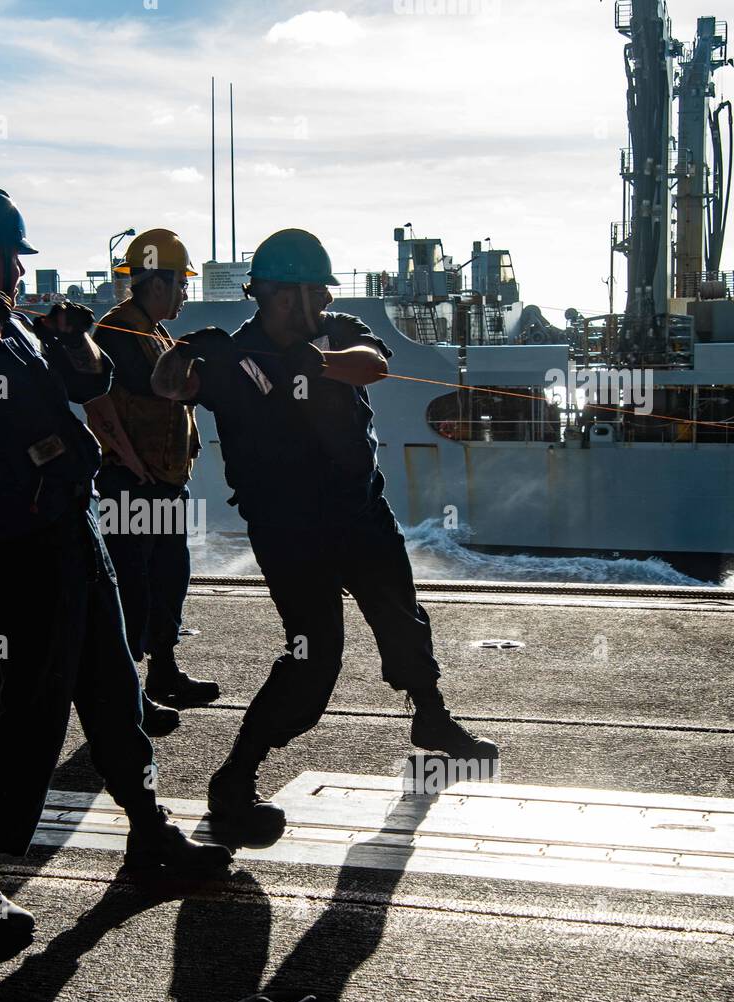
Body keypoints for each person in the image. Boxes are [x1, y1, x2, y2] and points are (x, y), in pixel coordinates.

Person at [0, 185, 232, 944]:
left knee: (114, 689)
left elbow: (89, 384)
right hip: (12, 548)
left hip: (73, 532)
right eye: (10, 258)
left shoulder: (17, 329)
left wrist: (73, 338)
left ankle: (149, 833)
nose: (15, 270)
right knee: (33, 715)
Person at [152, 228, 498, 845]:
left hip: (360, 515)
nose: (311, 304)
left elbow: (376, 366)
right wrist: (181, 352)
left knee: (402, 619)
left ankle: (433, 719)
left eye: (317, 292)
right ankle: (235, 778)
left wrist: (317, 362)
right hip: (291, 533)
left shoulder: (336, 332)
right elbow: (168, 388)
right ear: (269, 295)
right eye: (300, 293)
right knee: (313, 660)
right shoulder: (232, 357)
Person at [85, 230, 219, 738]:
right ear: (157, 284)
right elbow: (107, 402)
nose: (185, 295)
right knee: (132, 586)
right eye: (180, 285)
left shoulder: (153, 331)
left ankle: (162, 671)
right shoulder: (121, 332)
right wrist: (123, 453)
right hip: (131, 483)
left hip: (160, 481)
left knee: (168, 575)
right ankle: (130, 696)